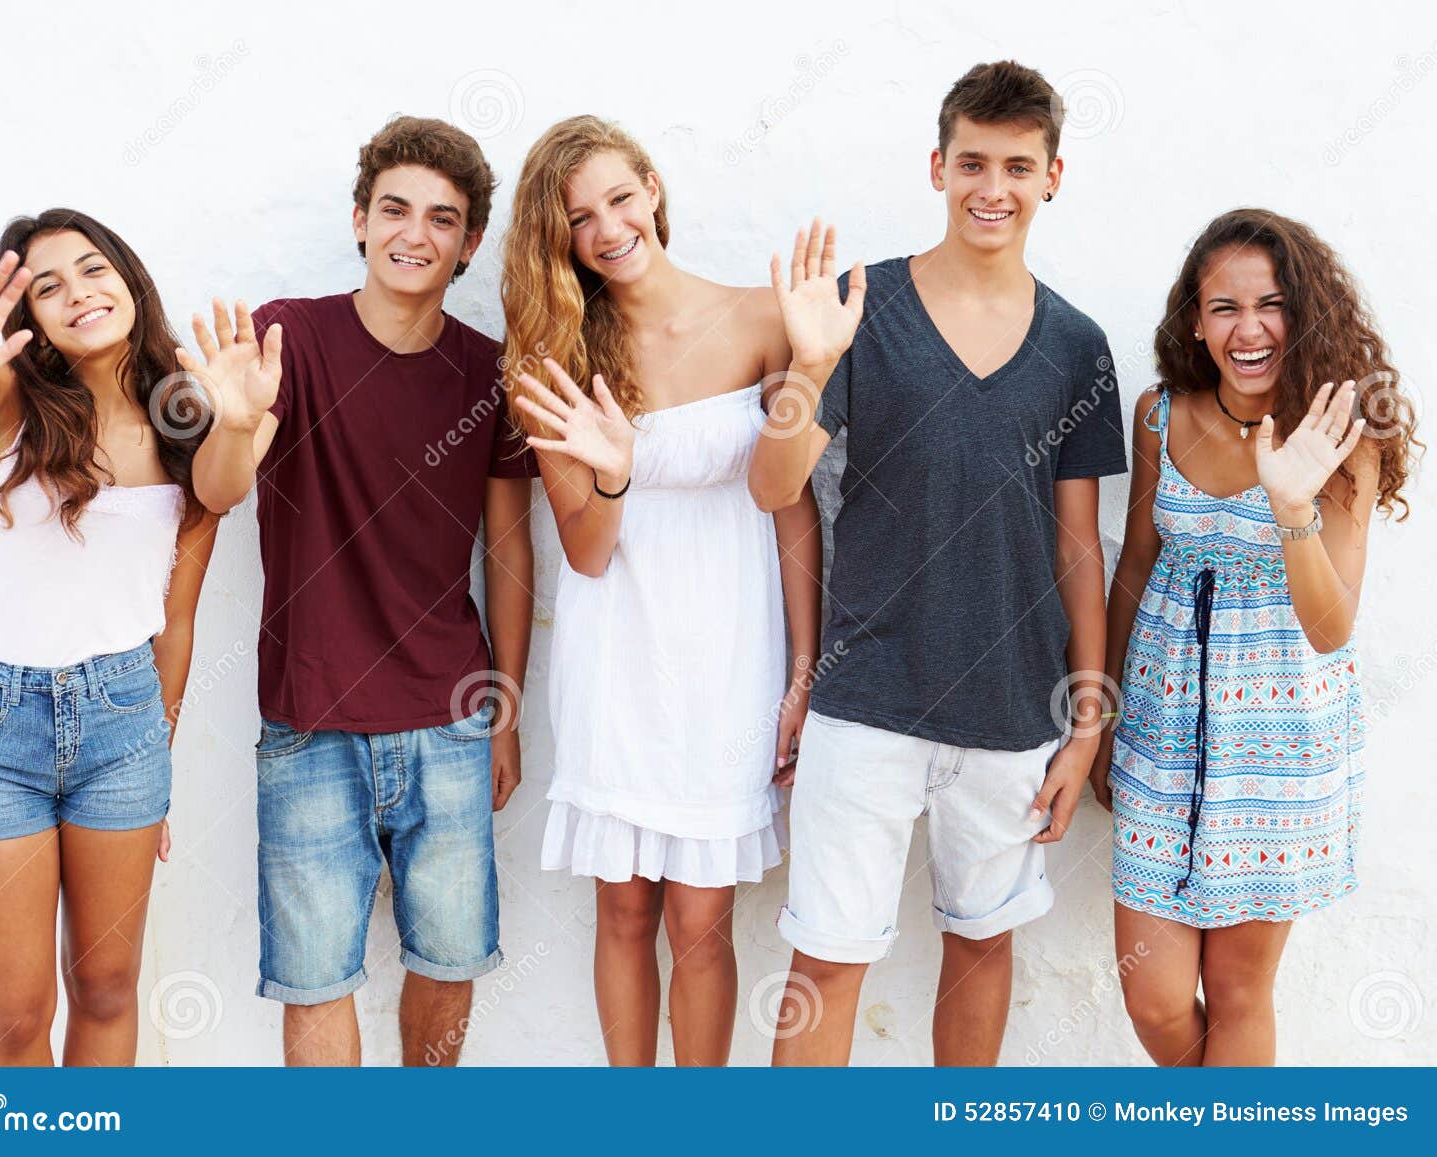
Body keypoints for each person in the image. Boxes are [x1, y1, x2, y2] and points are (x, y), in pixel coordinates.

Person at [747, 61, 1129, 1066]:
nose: (990, 187)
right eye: (971, 163)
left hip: (1012, 711)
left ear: (1053, 177)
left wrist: (1085, 722)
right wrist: (810, 367)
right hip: (865, 697)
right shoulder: (852, 308)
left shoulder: (1077, 346)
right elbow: (770, 483)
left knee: (980, 948)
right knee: (826, 962)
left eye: (1016, 165)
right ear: (936, 166)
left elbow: (1078, 545)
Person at [180, 116, 535, 1066]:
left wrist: (505, 709)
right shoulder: (288, 336)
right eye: (395, 210)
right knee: (314, 979)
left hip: (451, 719)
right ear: (360, 220)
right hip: (310, 719)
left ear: (466, 243)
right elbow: (219, 491)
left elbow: (508, 549)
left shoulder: (487, 371)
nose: (414, 233)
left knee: (452, 961)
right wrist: (235, 423)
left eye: (442, 218)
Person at [500, 115, 824, 1066]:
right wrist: (609, 473)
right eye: (578, 218)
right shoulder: (549, 362)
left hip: (732, 654)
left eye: (618, 198)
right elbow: (590, 554)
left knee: (703, 917)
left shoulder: (767, 321)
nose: (606, 228)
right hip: (618, 657)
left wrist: (804, 669)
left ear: (652, 187)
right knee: (626, 906)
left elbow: (789, 505)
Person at [1094, 208, 1418, 1065]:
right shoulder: (1159, 415)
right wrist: (1101, 717)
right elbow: (1134, 567)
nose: (1248, 329)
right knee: (1157, 998)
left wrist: (1292, 508)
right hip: (1160, 734)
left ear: (1302, 314)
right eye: (1224, 306)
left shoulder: (1345, 436)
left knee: (1239, 994)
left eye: (1270, 305)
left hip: (1278, 745)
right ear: (1194, 321)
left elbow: (1330, 625)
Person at [0, 208, 221, 1064]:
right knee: (15, 1019)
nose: (77, 292)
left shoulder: (185, 425)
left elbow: (180, 616)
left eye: (91, 269)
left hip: (124, 728)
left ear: (128, 277)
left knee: (106, 988)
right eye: (47, 286)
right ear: (30, 322)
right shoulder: (9, 403)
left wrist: (158, 756)